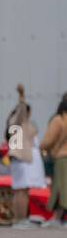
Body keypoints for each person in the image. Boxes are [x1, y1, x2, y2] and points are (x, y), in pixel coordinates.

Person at [6, 85, 44, 228]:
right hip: (21, 159)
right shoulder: (18, 120)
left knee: (20, 190)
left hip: (20, 159)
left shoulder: (18, 123)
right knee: (21, 190)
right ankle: (20, 219)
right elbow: (22, 109)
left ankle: (18, 219)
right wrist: (22, 96)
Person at [41, 93, 67, 227]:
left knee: (60, 188)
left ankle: (57, 218)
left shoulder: (58, 120)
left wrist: (41, 147)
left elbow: (48, 140)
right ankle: (59, 218)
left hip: (62, 158)